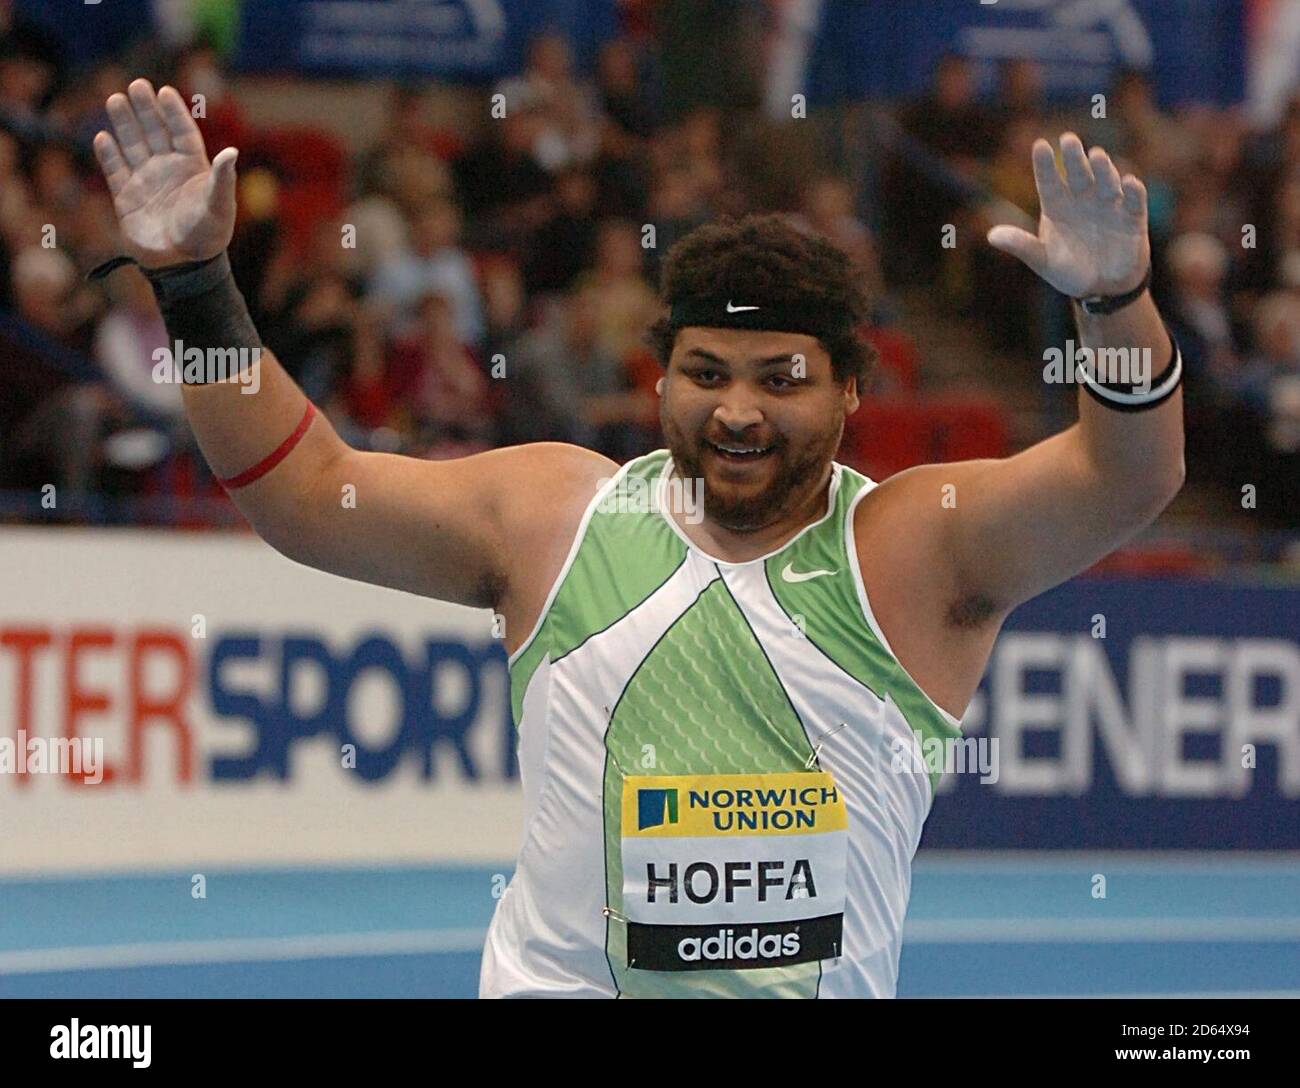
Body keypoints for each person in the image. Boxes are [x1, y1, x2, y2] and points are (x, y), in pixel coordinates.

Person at [92, 79, 1184, 998]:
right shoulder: (555, 517)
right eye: (705, 373)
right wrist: (194, 285)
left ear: (852, 388)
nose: (738, 411)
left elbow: (1126, 474)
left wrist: (1116, 303)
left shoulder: (911, 548)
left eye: (781, 379)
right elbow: (302, 493)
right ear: (658, 378)